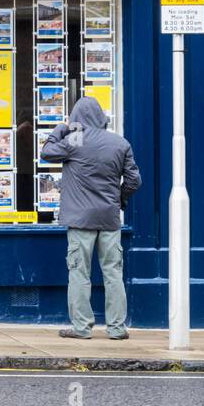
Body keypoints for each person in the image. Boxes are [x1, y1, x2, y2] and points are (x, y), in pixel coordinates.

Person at [41, 95, 141, 340]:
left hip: (80, 220)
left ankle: (81, 327)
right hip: (109, 218)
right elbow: (134, 181)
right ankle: (117, 328)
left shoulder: (75, 139)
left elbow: (47, 152)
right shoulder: (120, 143)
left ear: (77, 118)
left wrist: (62, 127)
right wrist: (120, 200)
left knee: (79, 273)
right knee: (113, 273)